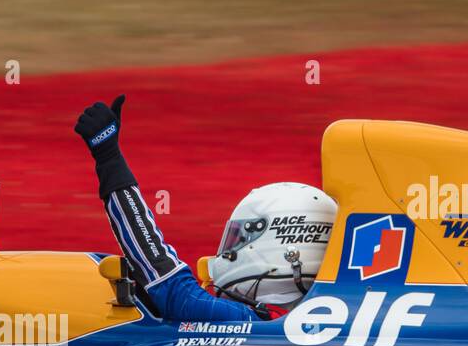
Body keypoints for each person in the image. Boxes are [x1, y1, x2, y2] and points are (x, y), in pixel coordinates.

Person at [74, 95, 337, 322]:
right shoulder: (327, 317)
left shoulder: (252, 320)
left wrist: (108, 157)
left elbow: (165, 279)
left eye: (239, 239)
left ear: (280, 242)